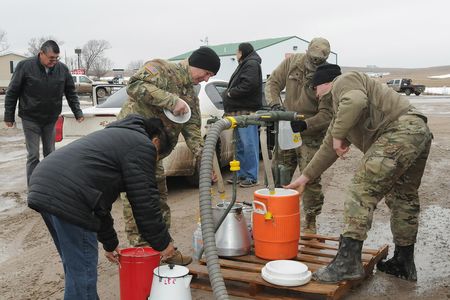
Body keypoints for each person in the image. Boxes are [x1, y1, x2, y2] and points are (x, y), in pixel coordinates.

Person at [286, 64, 432, 283]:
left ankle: (347, 263)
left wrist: (338, 136)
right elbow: (328, 147)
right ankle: (403, 262)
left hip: (400, 131)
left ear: (324, 83)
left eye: (315, 89)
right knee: (403, 197)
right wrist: (304, 178)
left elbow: (354, 102)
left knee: (361, 190)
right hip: (417, 131)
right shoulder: (342, 111)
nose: (316, 96)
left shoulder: (344, 82)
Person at [27, 114, 177, 299]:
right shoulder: (142, 146)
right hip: (70, 196)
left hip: (45, 184)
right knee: (83, 275)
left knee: (76, 269)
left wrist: (110, 243)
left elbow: (100, 204)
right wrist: (163, 242)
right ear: (155, 142)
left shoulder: (118, 138)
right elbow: (144, 201)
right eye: (158, 156)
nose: (154, 162)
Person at [117, 46, 221, 265]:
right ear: (198, 64)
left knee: (159, 200)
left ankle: (163, 249)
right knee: (136, 201)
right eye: (207, 74)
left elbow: (192, 129)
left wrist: (204, 161)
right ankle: (142, 255)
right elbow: (134, 85)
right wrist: (170, 100)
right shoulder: (161, 69)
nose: (205, 80)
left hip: (154, 155)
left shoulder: (191, 93)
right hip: (132, 148)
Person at [265, 37, 333, 233]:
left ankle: (310, 221)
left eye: (319, 60)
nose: (315, 63)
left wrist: (305, 124)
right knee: (279, 171)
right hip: (287, 127)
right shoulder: (292, 62)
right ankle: (276, 213)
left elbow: (327, 114)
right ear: (307, 51)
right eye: (312, 58)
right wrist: (275, 106)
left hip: (311, 133)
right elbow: (273, 83)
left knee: (310, 177)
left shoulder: (327, 75)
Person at [4, 40, 84, 186]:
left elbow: (71, 92)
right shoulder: (25, 66)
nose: (54, 61)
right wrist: (9, 116)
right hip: (30, 118)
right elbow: (12, 92)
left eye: (56, 58)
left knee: (51, 154)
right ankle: (34, 189)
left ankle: (50, 186)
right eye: (51, 58)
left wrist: (77, 112)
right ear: (41, 53)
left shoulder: (62, 69)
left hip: (50, 118)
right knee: (33, 155)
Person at [223, 42, 263, 187]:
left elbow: (249, 84)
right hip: (239, 111)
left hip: (246, 111)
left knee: (248, 144)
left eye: (237, 52)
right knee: (240, 145)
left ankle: (251, 177)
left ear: (242, 52)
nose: (236, 54)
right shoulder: (246, 63)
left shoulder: (251, 64)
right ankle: (241, 175)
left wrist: (230, 93)